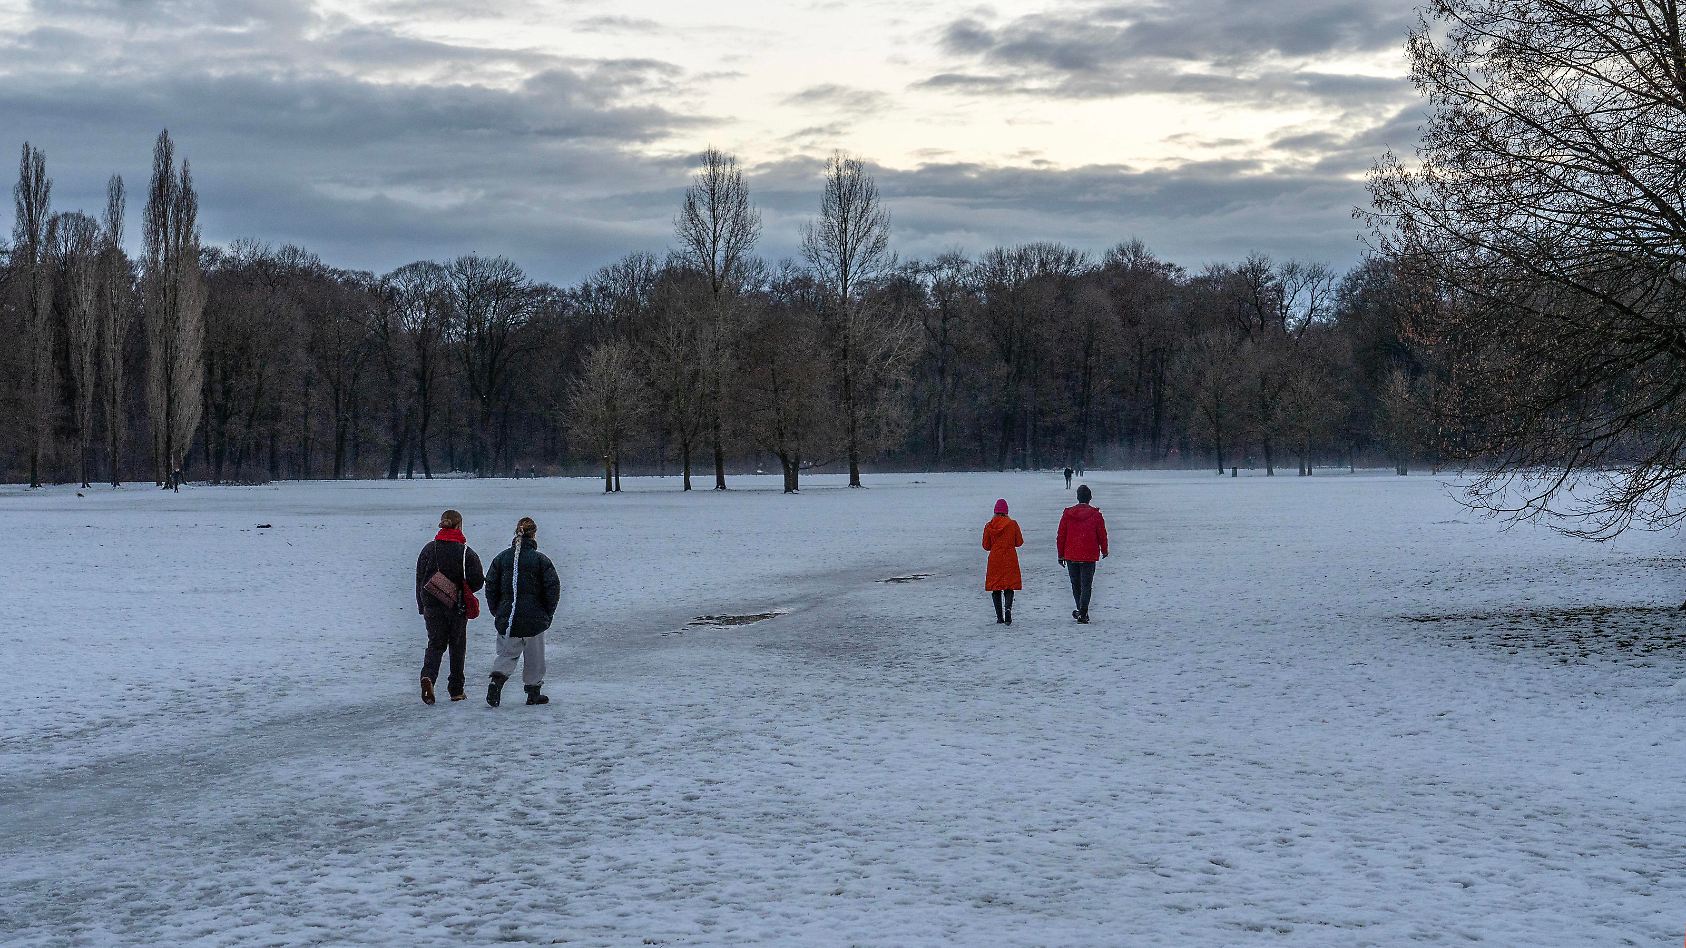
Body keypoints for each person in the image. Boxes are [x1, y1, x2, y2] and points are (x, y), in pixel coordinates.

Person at [484, 516, 561, 707]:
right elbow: (553, 588)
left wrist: (498, 611)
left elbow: (491, 587)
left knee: (507, 653)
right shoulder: (541, 560)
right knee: (535, 657)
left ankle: (497, 680)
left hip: (508, 616)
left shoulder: (501, 558)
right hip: (535, 619)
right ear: (534, 534)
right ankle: (533, 691)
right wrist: (547, 613)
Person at [416, 509, 485, 704]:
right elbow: (478, 581)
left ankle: (428, 676)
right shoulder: (466, 552)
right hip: (457, 605)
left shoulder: (429, 549)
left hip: (432, 604)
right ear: (458, 525)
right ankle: (456, 690)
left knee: (435, 644)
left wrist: (422, 605)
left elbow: (420, 578)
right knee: (457, 646)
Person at [1056, 484, 1108, 624]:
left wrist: (1060, 554)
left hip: (1071, 553)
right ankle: (1083, 613)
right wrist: (1104, 549)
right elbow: (1102, 534)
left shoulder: (1068, 514)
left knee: (1076, 585)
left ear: (1078, 497)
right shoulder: (1096, 515)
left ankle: (1081, 611)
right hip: (1089, 554)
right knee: (1086, 585)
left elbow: (1061, 535)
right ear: (1090, 498)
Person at [982, 498, 1024, 625]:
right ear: (1006, 512)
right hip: (1009, 558)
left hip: (995, 559)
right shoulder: (1012, 524)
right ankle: (1008, 609)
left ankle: (999, 617)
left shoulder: (989, 526)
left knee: (996, 587)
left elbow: (986, 546)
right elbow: (1019, 542)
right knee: (1009, 586)